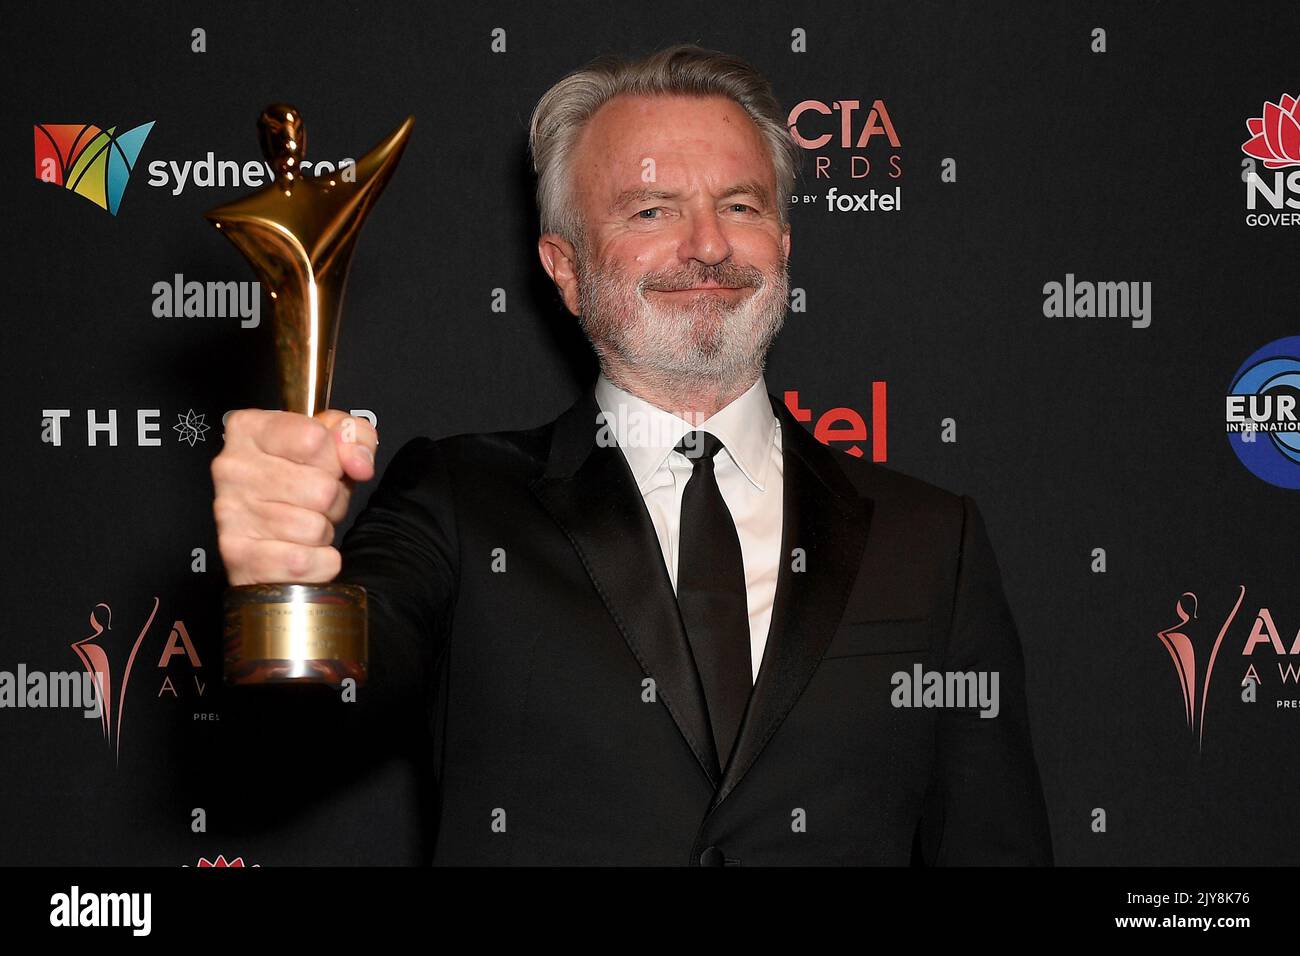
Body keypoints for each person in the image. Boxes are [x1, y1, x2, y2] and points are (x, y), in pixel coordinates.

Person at [210, 43, 1053, 866]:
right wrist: (282, 579)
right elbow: (317, 712)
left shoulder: (933, 540)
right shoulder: (459, 503)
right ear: (565, 268)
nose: (709, 244)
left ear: (785, 245)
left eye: (742, 205)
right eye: (652, 211)